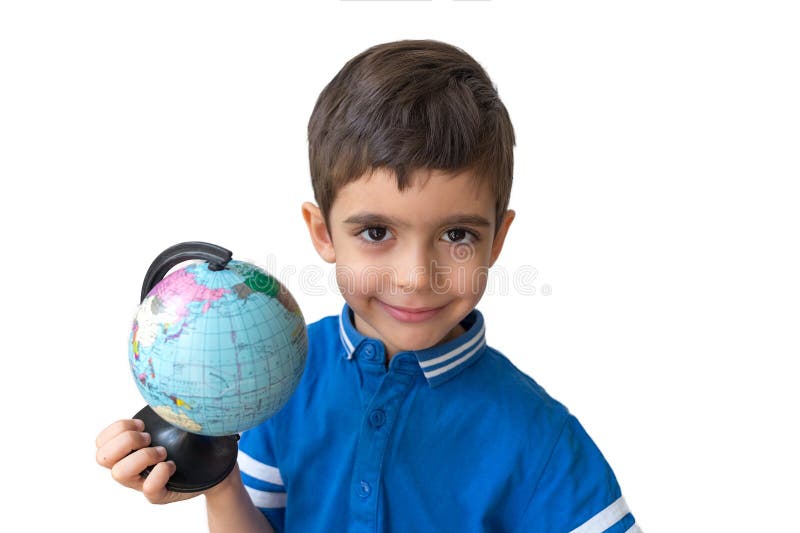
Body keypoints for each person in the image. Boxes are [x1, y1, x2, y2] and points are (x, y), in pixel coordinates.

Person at [96, 39, 639, 533]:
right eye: (377, 232)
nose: (415, 276)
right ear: (322, 232)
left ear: (497, 240)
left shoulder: (539, 439)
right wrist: (218, 482)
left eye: (457, 234)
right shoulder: (276, 375)